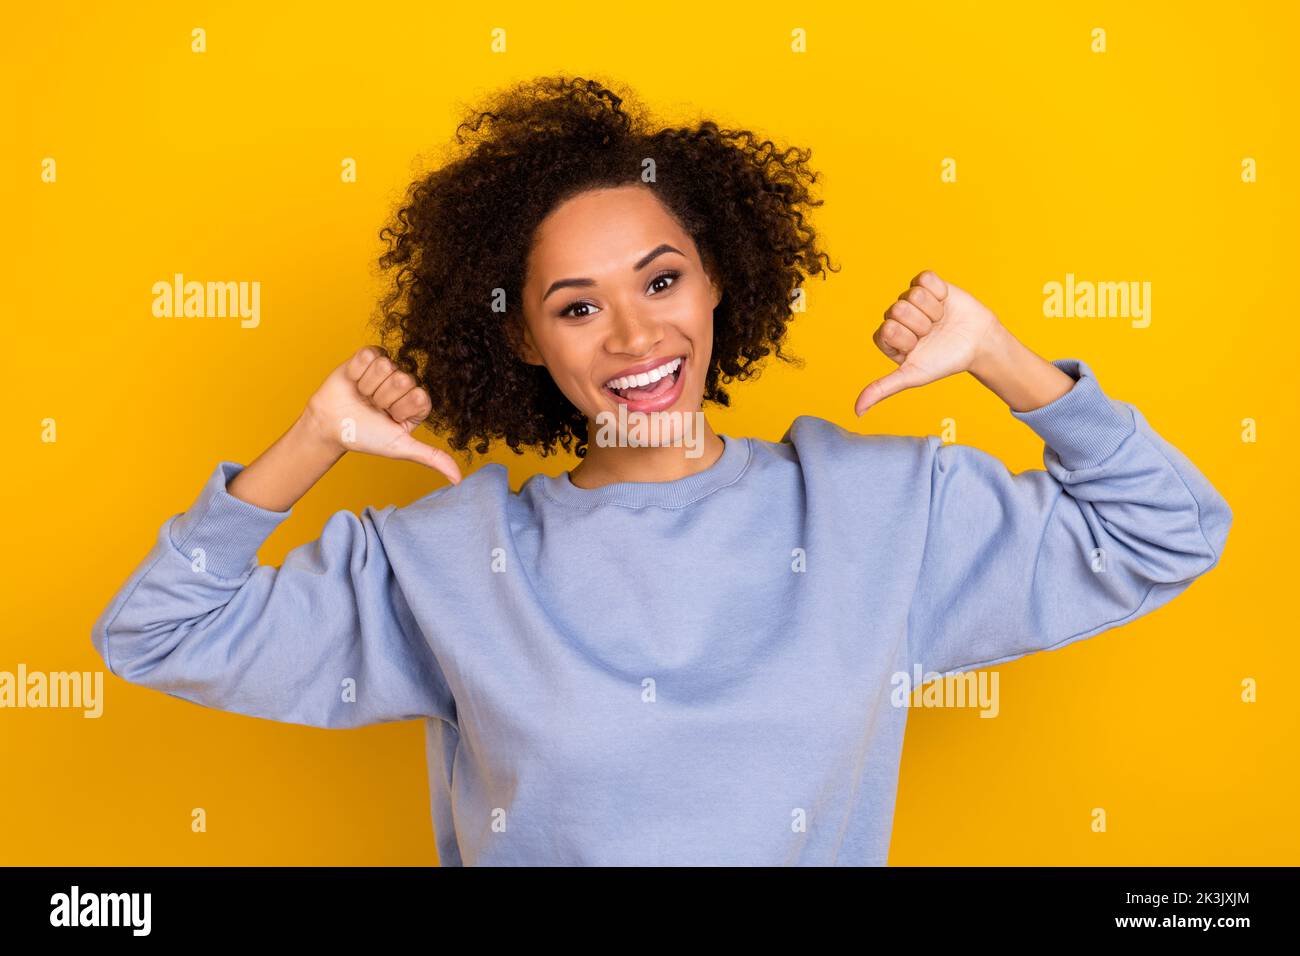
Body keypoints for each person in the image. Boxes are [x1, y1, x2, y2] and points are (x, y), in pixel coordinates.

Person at [90, 76, 1233, 865]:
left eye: (661, 280)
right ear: (525, 339)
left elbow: (1170, 528)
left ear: (721, 279)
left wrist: (1001, 357)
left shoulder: (878, 511)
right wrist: (311, 443)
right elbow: (157, 632)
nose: (634, 339)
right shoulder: (443, 560)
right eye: (576, 306)